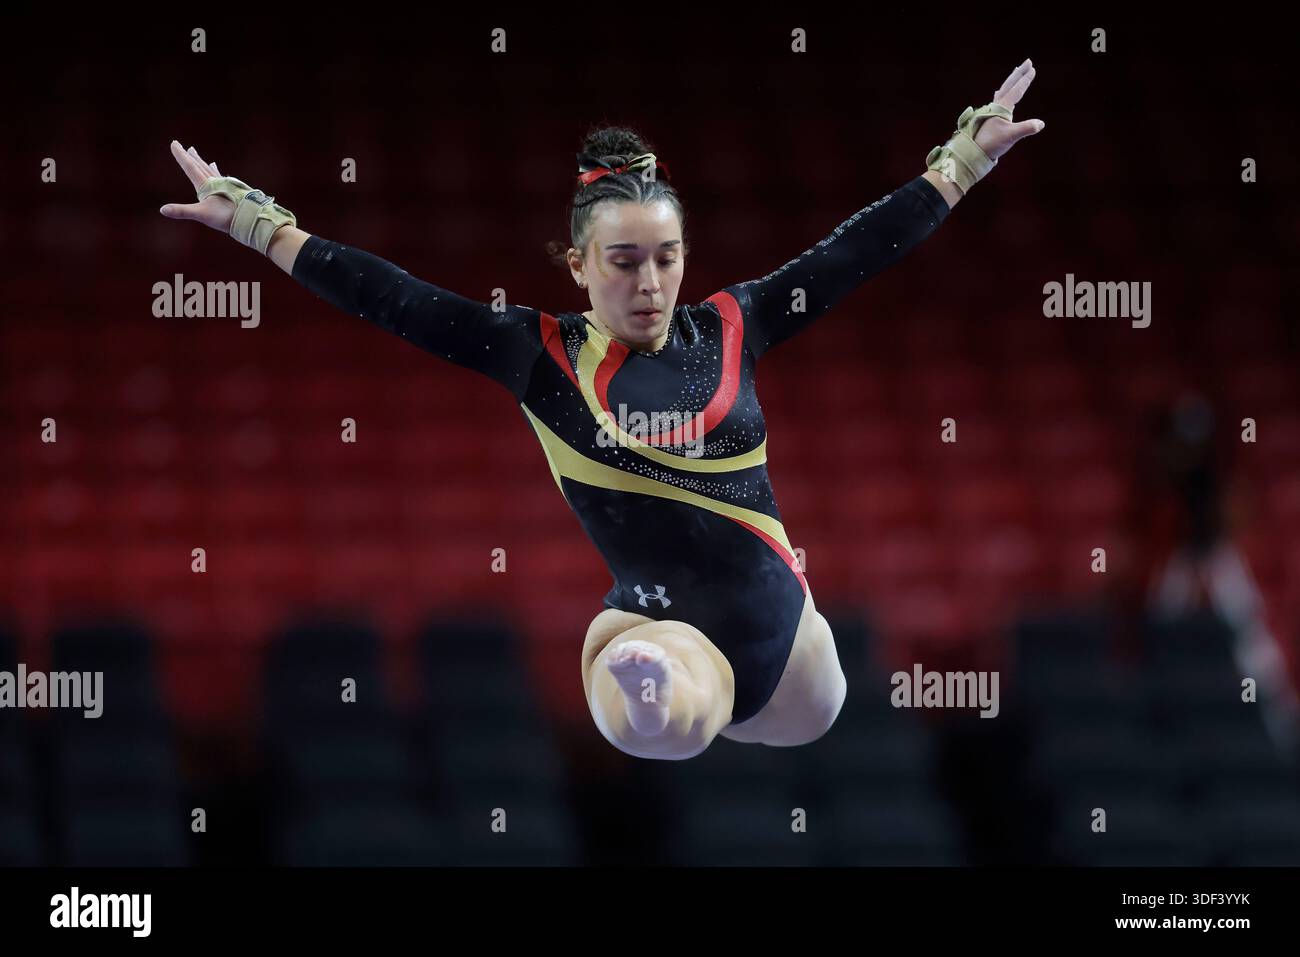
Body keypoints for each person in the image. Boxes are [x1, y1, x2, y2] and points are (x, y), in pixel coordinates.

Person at [160, 59, 1044, 760]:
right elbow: (391, 296)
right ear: (578, 265)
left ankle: (661, 689)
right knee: (657, 705)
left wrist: (965, 158)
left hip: (786, 645)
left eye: (666, 257)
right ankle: (654, 691)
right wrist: (254, 224)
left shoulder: (738, 322)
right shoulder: (535, 354)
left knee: (793, 698)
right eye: (623, 261)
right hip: (649, 621)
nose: (650, 282)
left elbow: (859, 250)